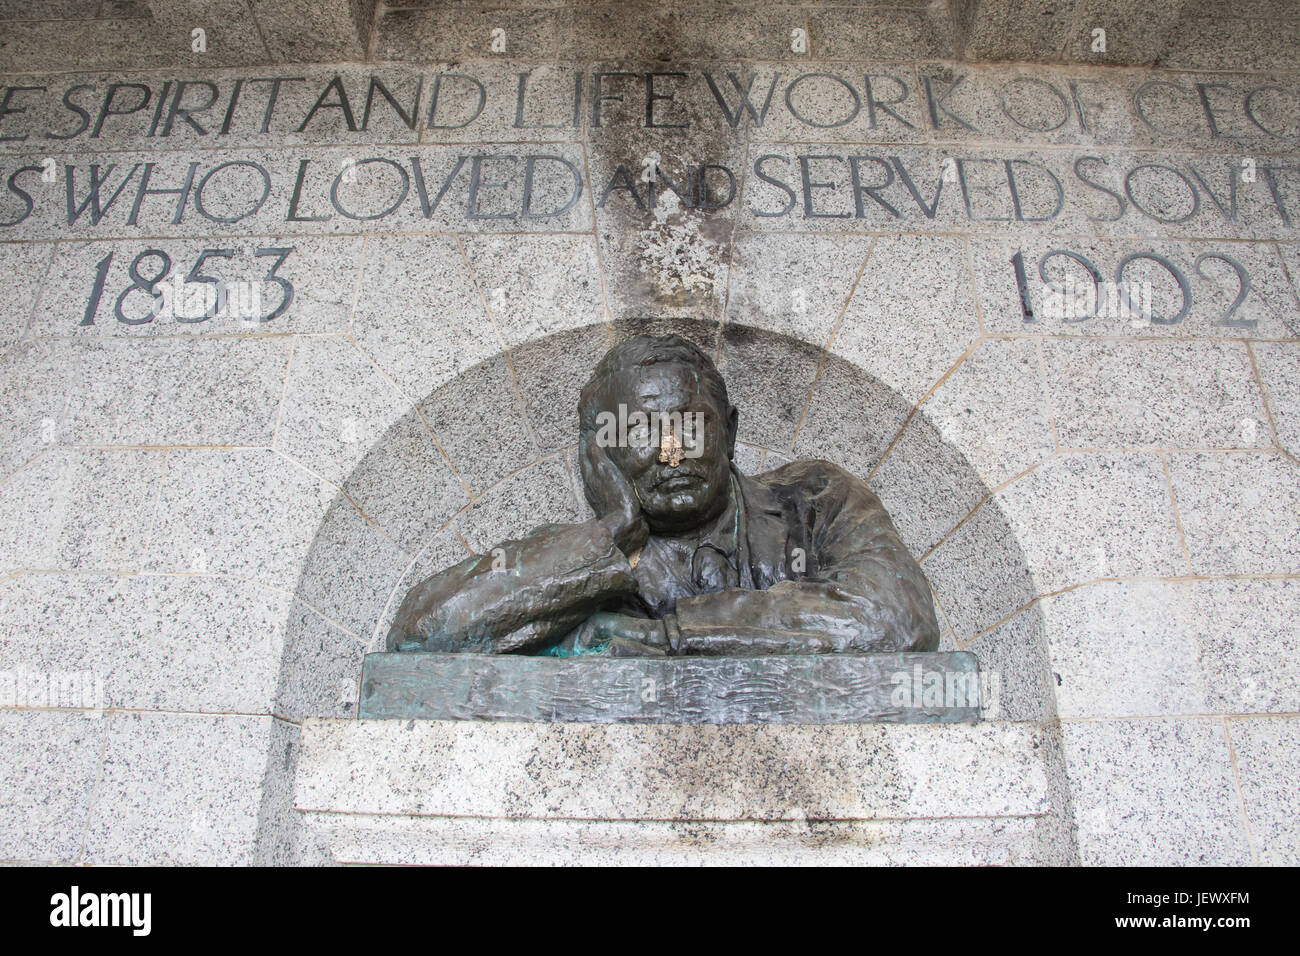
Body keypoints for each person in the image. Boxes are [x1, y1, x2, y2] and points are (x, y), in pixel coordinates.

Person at [387, 334, 939, 656]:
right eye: (639, 433)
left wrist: (669, 637)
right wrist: (610, 536)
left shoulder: (815, 501)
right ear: (600, 456)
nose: (671, 452)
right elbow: (419, 638)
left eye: (690, 426)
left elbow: (897, 622)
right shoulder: (573, 558)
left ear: (730, 431)